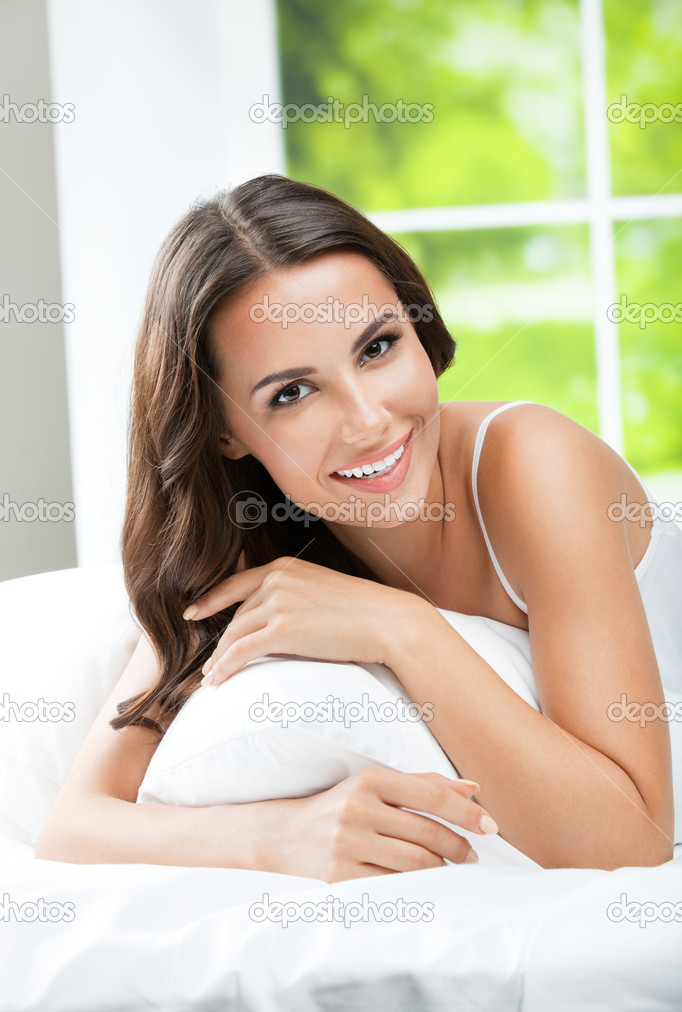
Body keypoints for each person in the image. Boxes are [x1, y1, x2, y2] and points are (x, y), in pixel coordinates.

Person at [35, 175, 680, 880]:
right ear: (224, 432)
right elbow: (76, 824)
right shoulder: (247, 543)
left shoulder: (535, 467)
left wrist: (401, 628)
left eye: (377, 346)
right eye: (293, 392)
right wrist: (278, 835)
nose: (369, 419)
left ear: (420, 328)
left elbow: (634, 840)